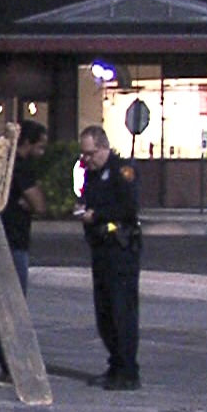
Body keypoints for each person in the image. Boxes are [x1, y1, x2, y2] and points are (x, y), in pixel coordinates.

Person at [76, 125, 141, 390]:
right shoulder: (91, 175)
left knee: (121, 311)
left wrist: (98, 215)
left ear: (103, 148)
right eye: (84, 155)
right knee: (104, 312)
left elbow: (128, 207)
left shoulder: (121, 171)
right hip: (101, 249)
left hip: (121, 248)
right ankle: (115, 364)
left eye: (91, 153)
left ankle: (128, 371)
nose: (87, 159)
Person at [0, 120, 49, 386]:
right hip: (14, 242)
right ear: (26, 143)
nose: (42, 152)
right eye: (39, 146)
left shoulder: (2, 163)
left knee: (5, 304)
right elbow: (39, 204)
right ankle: (12, 367)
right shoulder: (22, 167)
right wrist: (31, 202)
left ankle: (7, 365)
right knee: (15, 306)